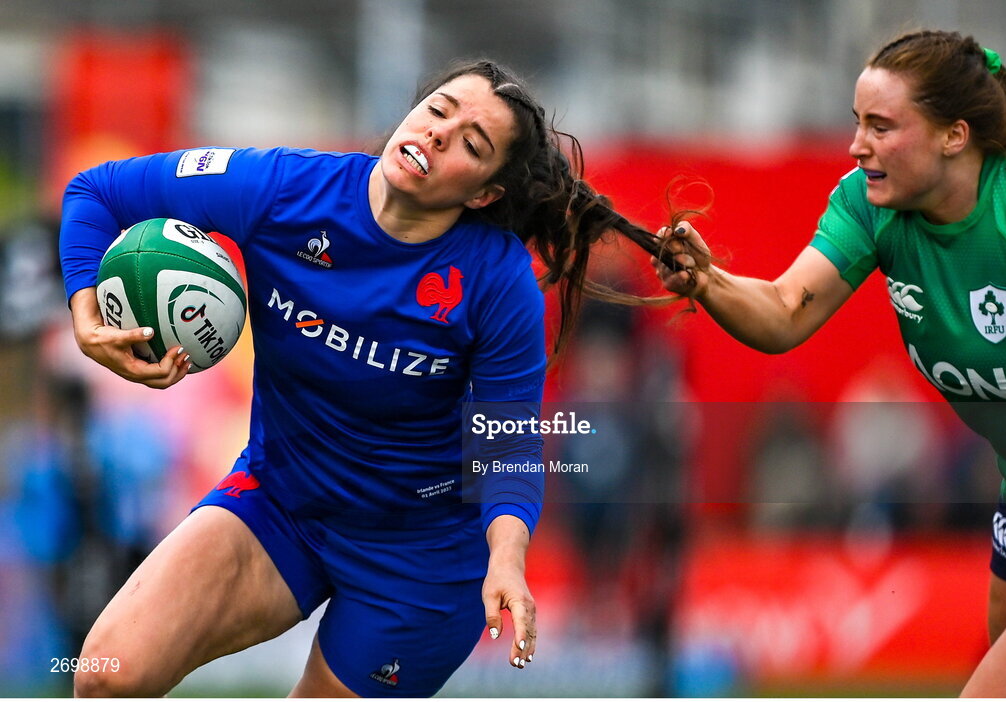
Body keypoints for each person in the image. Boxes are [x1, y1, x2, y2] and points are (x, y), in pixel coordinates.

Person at [60, 59, 686, 697]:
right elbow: (96, 191)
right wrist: (86, 313)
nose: (441, 134)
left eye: (472, 144)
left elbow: (509, 446)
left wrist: (506, 559)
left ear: (484, 194)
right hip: (282, 503)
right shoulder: (283, 189)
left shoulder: (497, 282)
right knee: (109, 677)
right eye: (439, 110)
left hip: (419, 565)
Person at [652, 29, 1006, 697]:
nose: (858, 146)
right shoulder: (867, 204)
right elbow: (787, 309)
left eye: (882, 127)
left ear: (954, 136)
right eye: (858, 124)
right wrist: (708, 282)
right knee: (1004, 627)